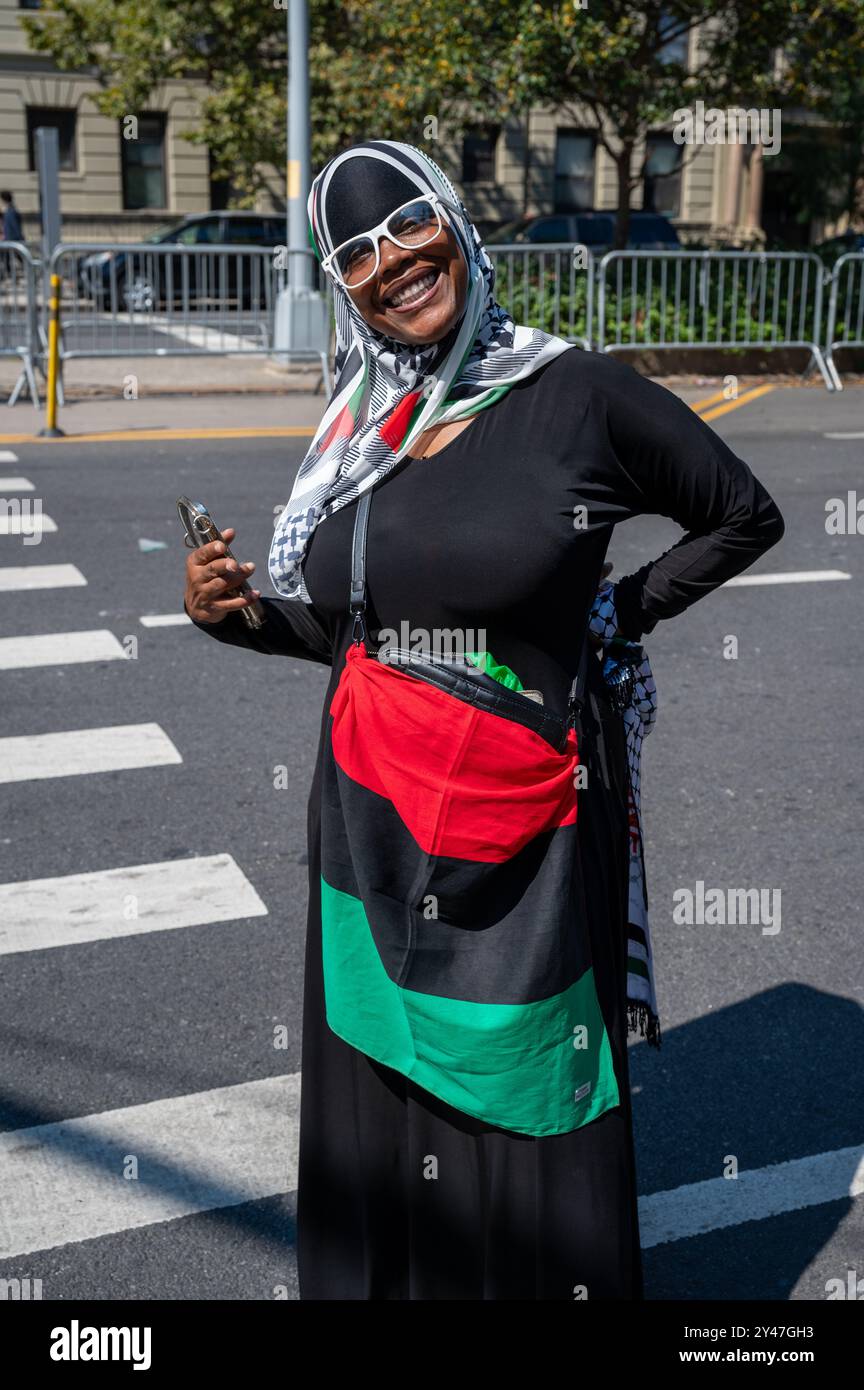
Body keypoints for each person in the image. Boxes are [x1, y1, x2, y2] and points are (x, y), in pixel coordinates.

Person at [183, 139, 785, 1300]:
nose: (389, 262)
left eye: (407, 225)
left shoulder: (576, 396)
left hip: (527, 838)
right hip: (369, 828)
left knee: (523, 1099)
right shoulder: (363, 422)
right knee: (381, 1095)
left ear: (455, 222)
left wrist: (617, 614)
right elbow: (350, 630)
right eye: (352, 251)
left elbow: (740, 514)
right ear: (338, 283)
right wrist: (235, 615)